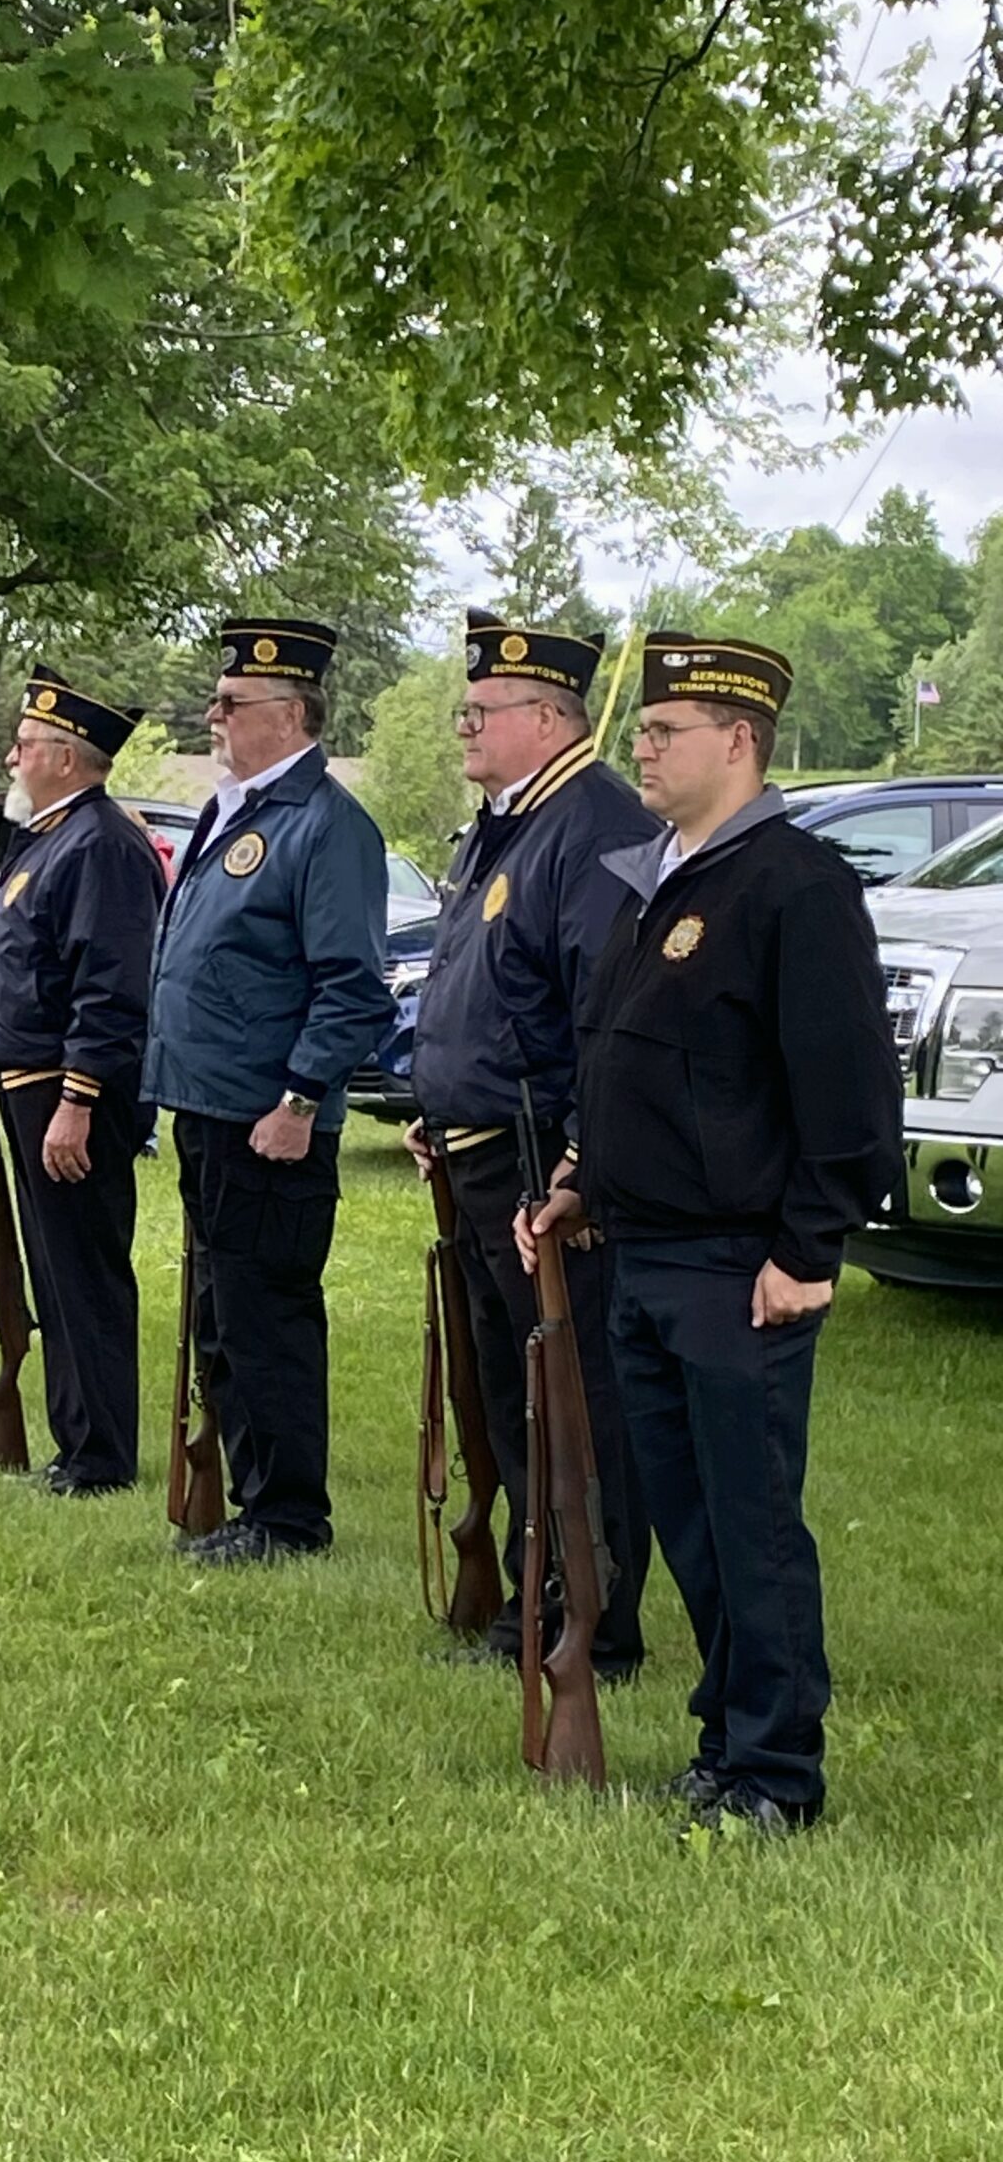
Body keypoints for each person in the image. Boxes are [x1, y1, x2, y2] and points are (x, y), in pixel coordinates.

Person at [520, 634, 903, 1834]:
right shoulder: (657, 881)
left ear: (740, 743)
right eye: (643, 728)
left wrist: (808, 1251)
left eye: (667, 730)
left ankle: (777, 1771)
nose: (641, 742)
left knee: (749, 1519)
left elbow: (846, 1093)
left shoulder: (793, 884)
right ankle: (726, 1740)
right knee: (687, 1521)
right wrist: (584, 1173)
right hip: (640, 1250)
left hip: (741, 1265)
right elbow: (622, 1062)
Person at [407, 609, 658, 1681]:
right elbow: (485, 992)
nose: (463, 727)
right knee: (510, 1394)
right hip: (468, 1155)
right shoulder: (502, 824)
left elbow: (597, 1016)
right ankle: (531, 1596)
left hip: (534, 1166)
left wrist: (570, 1165)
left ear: (550, 717)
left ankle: (590, 1618)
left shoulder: (591, 824)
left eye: (481, 711)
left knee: (578, 1399)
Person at [143, 615, 393, 1563]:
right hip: (207, 1108)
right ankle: (250, 1500)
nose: (214, 715)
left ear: (290, 716)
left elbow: (351, 985)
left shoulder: (325, 826)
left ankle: (288, 1517)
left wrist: (298, 1100)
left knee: (267, 1319)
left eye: (232, 703)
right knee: (221, 1314)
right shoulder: (236, 809)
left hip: (267, 1121)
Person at [0, 665, 164, 1495]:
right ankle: (73, 1438)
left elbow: (109, 986)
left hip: (65, 1095)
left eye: (27, 744)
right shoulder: (49, 837)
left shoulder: (102, 845)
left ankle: (99, 1452)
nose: (12, 757)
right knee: (48, 1270)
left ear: (67, 758)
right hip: (24, 1082)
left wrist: (77, 1100)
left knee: (81, 1274)